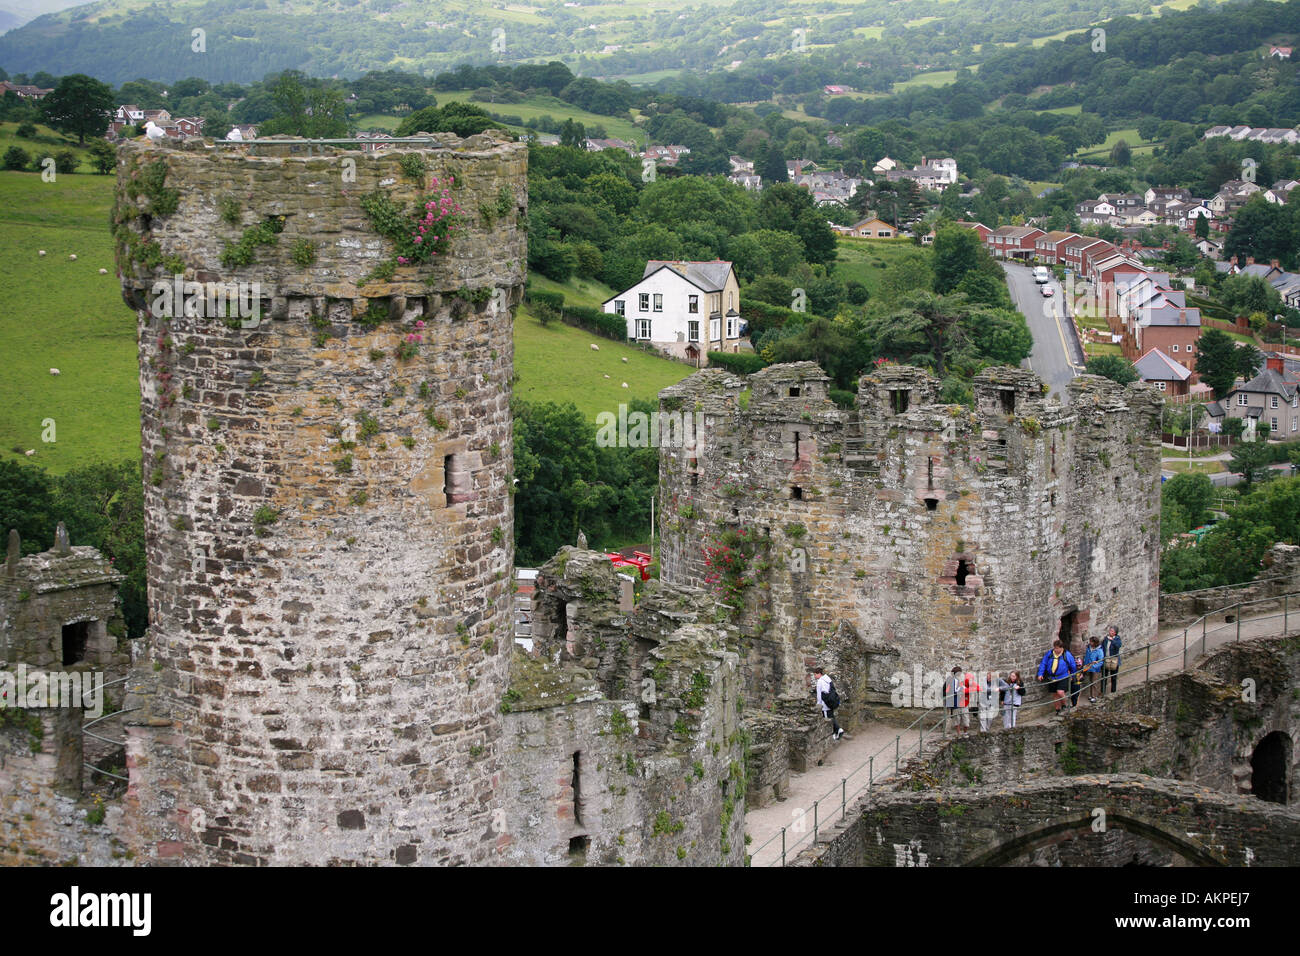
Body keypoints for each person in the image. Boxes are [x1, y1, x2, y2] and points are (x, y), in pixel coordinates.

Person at [1036, 639, 1076, 717]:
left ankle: (1065, 705)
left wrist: (1072, 675)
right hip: (1052, 677)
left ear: (1061, 648)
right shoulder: (1050, 654)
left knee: (1060, 692)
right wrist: (1040, 674)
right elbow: (1043, 663)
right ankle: (1058, 709)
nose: (1056, 650)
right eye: (1055, 648)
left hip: (1063, 676)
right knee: (1055, 695)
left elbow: (1073, 666)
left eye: (1057, 648)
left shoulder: (1067, 655)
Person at [813, 666, 845, 740]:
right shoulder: (828, 679)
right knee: (831, 716)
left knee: (828, 718)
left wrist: (819, 704)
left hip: (825, 704)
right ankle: (836, 732)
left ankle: (837, 731)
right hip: (831, 702)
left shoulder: (820, 681)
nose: (814, 676)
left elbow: (819, 695)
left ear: (819, 674)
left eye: (815, 674)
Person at [944, 666, 972, 735]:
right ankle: (946, 733)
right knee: (950, 717)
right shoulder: (952, 679)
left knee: (951, 716)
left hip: (952, 700)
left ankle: (947, 731)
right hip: (951, 701)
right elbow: (951, 690)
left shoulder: (952, 679)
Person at [1100, 625, 1122, 696]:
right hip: (1106, 659)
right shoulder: (1106, 638)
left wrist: (1113, 640)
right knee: (1104, 677)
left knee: (1113, 677)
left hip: (1114, 660)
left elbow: (1118, 646)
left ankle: (1113, 692)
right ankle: (1102, 692)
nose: (1110, 632)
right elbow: (1103, 647)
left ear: (1115, 633)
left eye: (1112, 631)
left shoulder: (1117, 639)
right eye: (1110, 630)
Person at [1082, 635, 1105, 702]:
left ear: (1095, 643)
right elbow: (1086, 657)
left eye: (1091, 642)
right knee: (1090, 681)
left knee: (1094, 683)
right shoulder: (1089, 648)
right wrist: (1085, 665)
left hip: (1095, 669)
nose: (1090, 643)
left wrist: (1093, 666)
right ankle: (1091, 695)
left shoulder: (1099, 651)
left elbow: (1100, 662)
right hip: (1088, 667)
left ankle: (1094, 696)